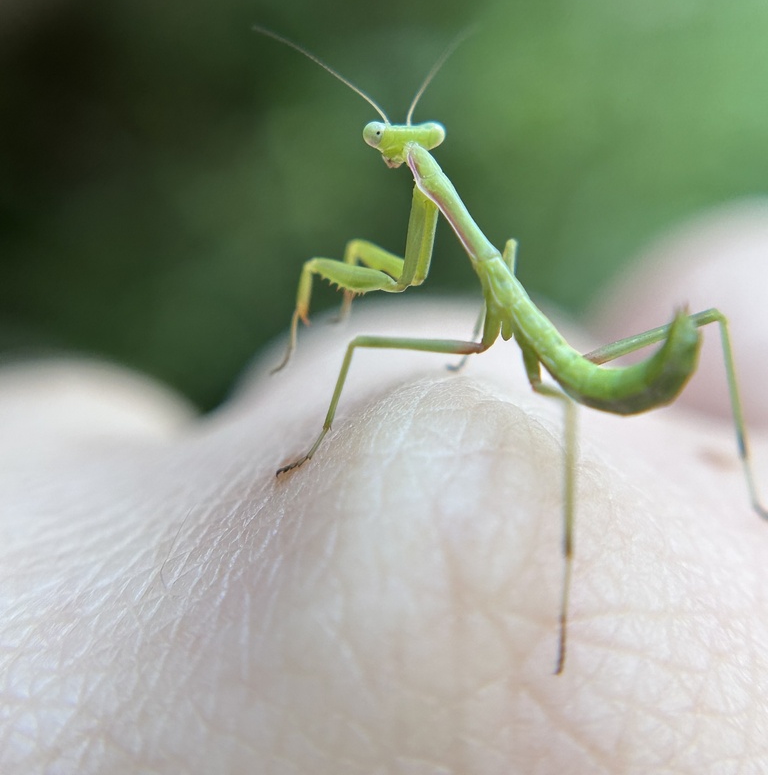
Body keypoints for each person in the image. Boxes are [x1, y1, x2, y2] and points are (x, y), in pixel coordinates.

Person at [2, 203, 768, 773]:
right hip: (570, 361)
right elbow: (454, 290)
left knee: (387, 344)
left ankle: (584, 578)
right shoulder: (469, 245)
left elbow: (470, 313)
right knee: (698, 322)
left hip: (591, 379)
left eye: (400, 149)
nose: (394, 155)